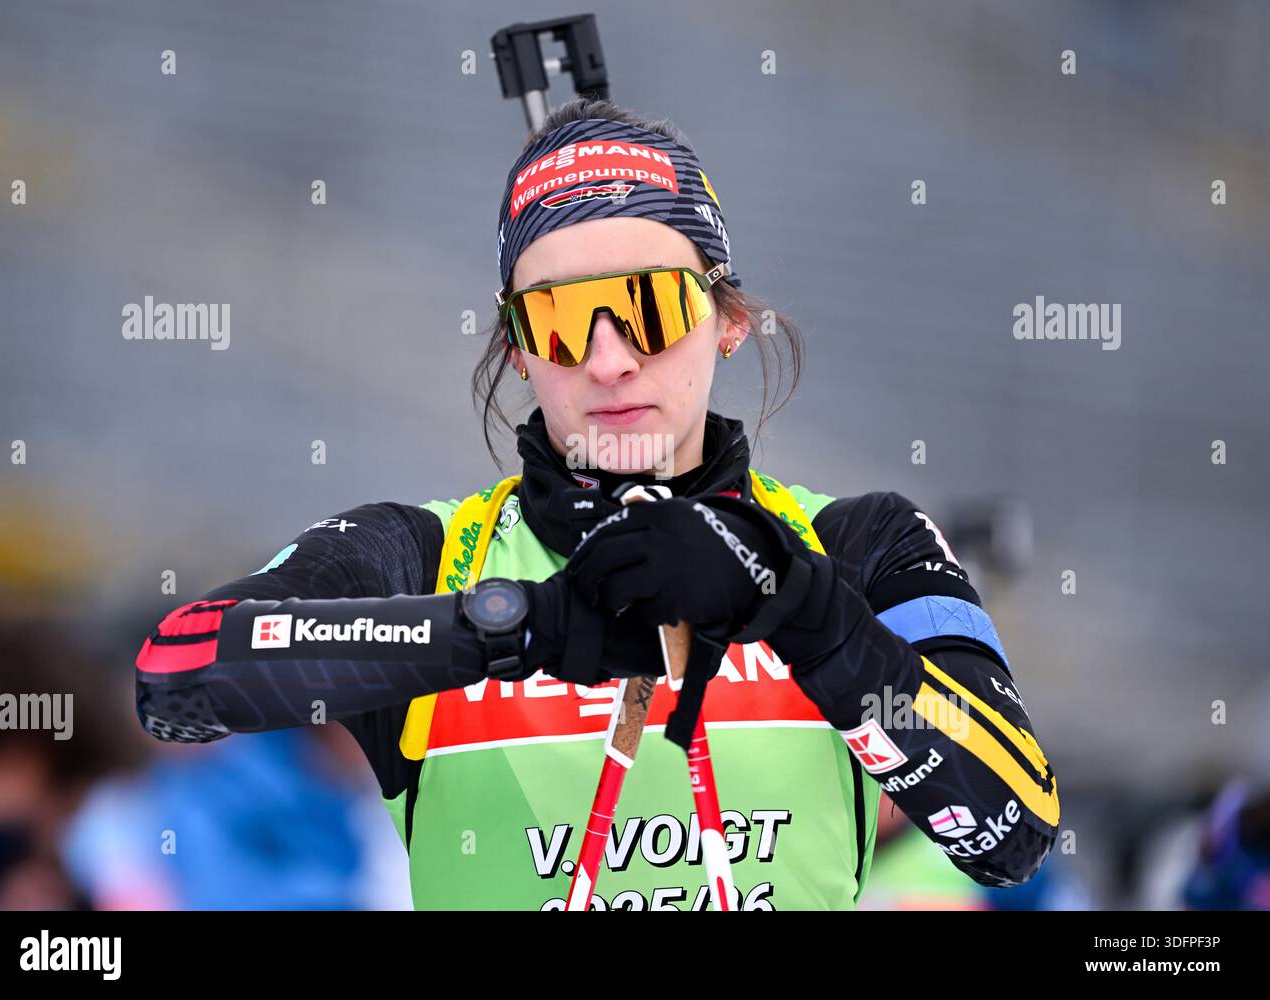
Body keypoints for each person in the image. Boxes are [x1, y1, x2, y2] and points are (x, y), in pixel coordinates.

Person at [134, 98, 1059, 910]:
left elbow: (1015, 832)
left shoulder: (854, 541)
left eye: (649, 308)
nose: (609, 359)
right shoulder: (430, 554)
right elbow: (176, 675)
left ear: (728, 320)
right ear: (517, 350)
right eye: (560, 320)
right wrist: (516, 626)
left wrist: (805, 610)